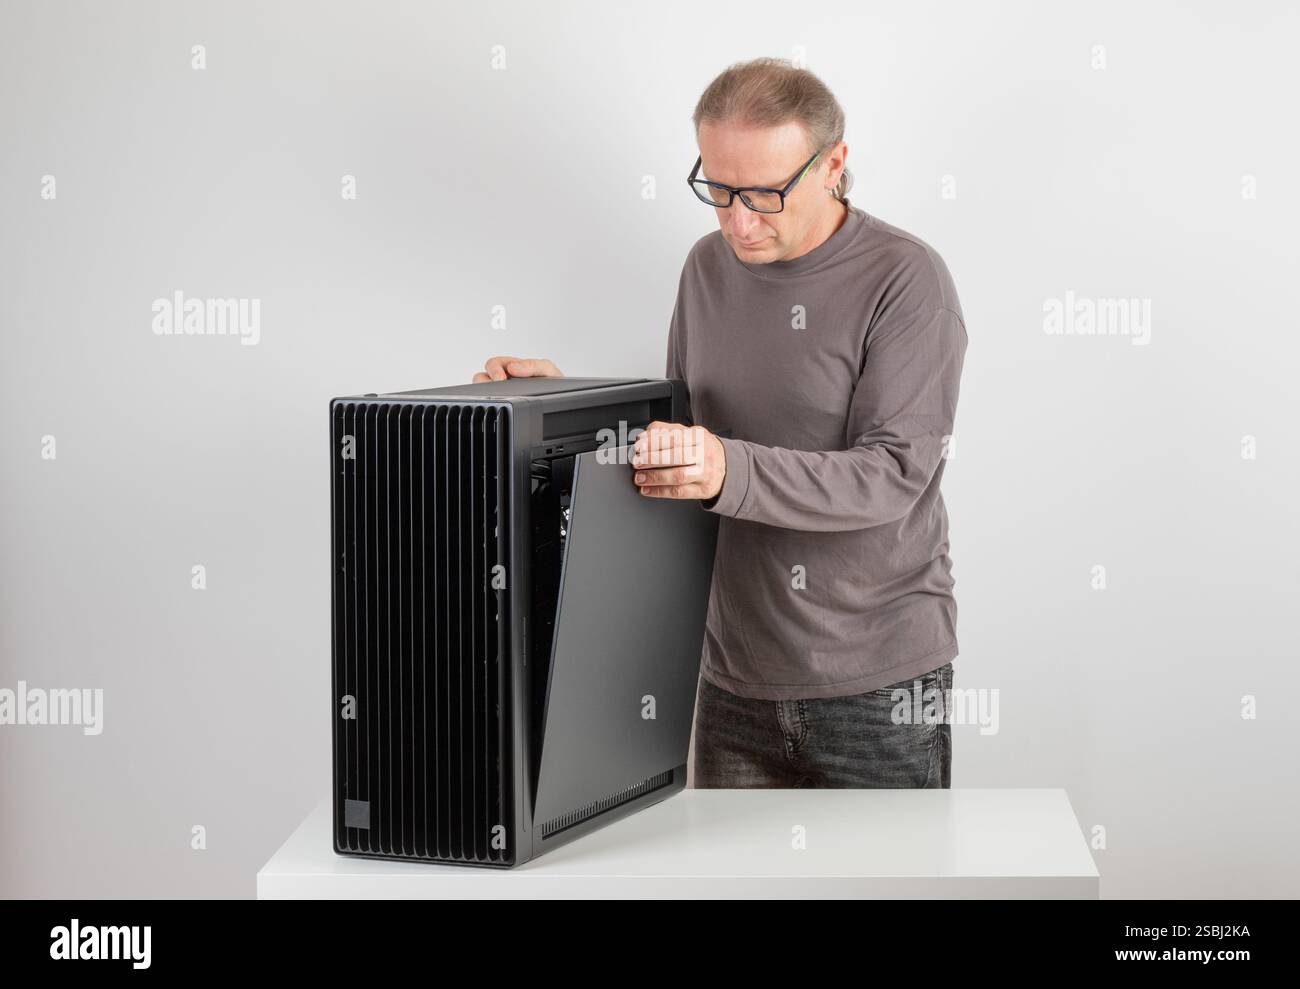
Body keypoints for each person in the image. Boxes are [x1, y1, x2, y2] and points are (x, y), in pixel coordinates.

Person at [473, 57, 967, 788]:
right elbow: (681, 433)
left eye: (766, 193)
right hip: (730, 674)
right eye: (719, 188)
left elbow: (892, 476)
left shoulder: (907, 279)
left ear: (834, 163)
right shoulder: (706, 267)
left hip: (878, 683)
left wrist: (728, 469)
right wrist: (559, 408)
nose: (739, 220)